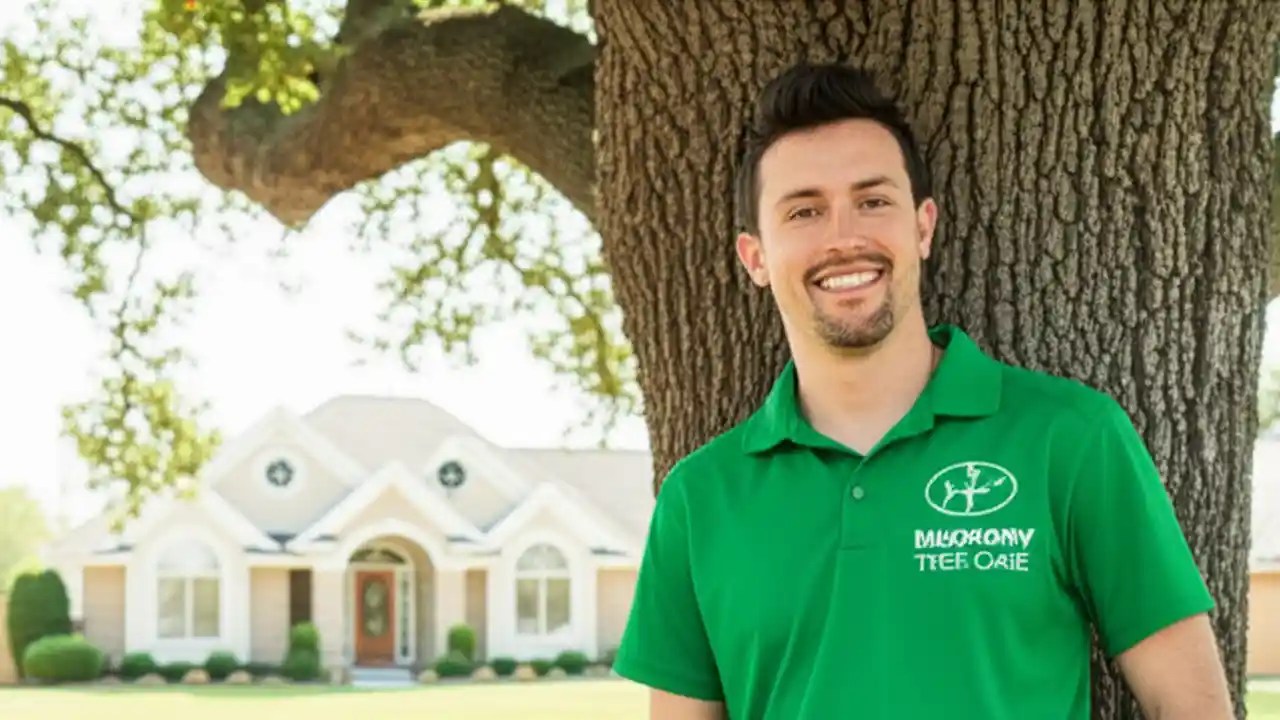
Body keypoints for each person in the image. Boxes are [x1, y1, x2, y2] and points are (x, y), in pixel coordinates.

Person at [610, 62, 1233, 719]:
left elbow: (1194, 708)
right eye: (804, 211)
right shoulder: (700, 499)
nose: (844, 237)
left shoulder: (1070, 438)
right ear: (756, 257)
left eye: (873, 201)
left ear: (924, 226)